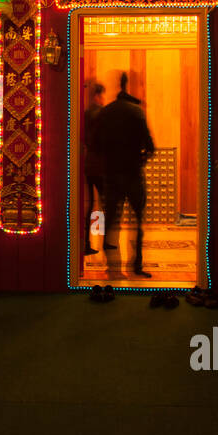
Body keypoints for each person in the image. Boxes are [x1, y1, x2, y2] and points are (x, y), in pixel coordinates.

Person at [92, 71, 155, 279]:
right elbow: (150, 147)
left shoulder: (105, 113)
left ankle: (112, 267)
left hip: (112, 173)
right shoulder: (136, 112)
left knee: (111, 221)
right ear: (128, 86)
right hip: (134, 173)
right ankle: (136, 265)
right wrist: (140, 160)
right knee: (138, 221)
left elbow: (95, 145)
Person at [82, 81, 105, 256]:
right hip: (100, 163)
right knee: (103, 202)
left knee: (88, 203)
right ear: (98, 95)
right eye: (102, 95)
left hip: (88, 161)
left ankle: (86, 242)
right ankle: (103, 240)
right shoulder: (100, 114)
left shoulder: (86, 113)